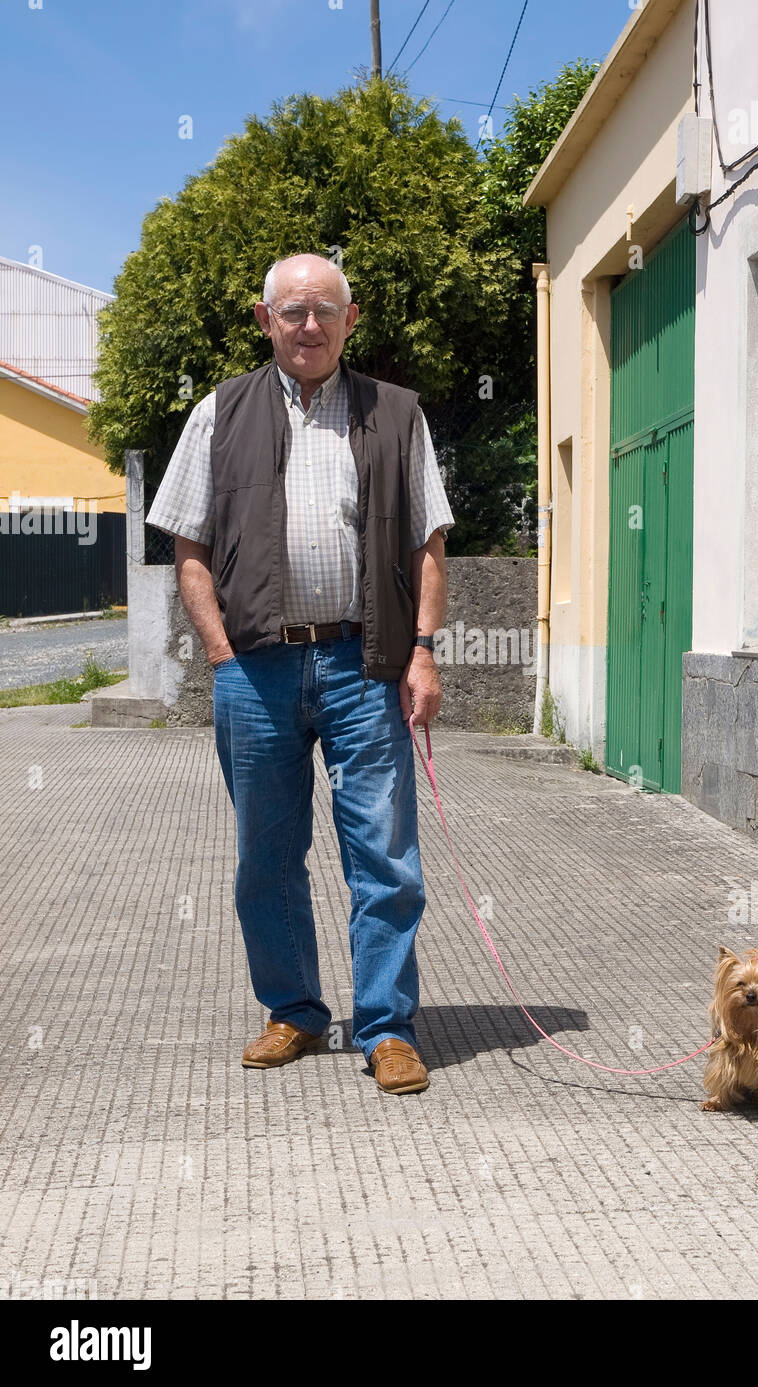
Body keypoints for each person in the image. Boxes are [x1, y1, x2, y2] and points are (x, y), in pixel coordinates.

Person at [146, 253, 454, 1095]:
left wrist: (422, 648)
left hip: (367, 665)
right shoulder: (219, 413)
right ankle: (293, 1011)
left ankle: (386, 1027)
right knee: (266, 858)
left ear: (351, 320)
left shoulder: (396, 414)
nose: (309, 325)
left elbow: (429, 542)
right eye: (292, 311)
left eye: (325, 309)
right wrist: (220, 655)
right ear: (263, 319)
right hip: (257, 669)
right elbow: (190, 549)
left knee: (384, 858)